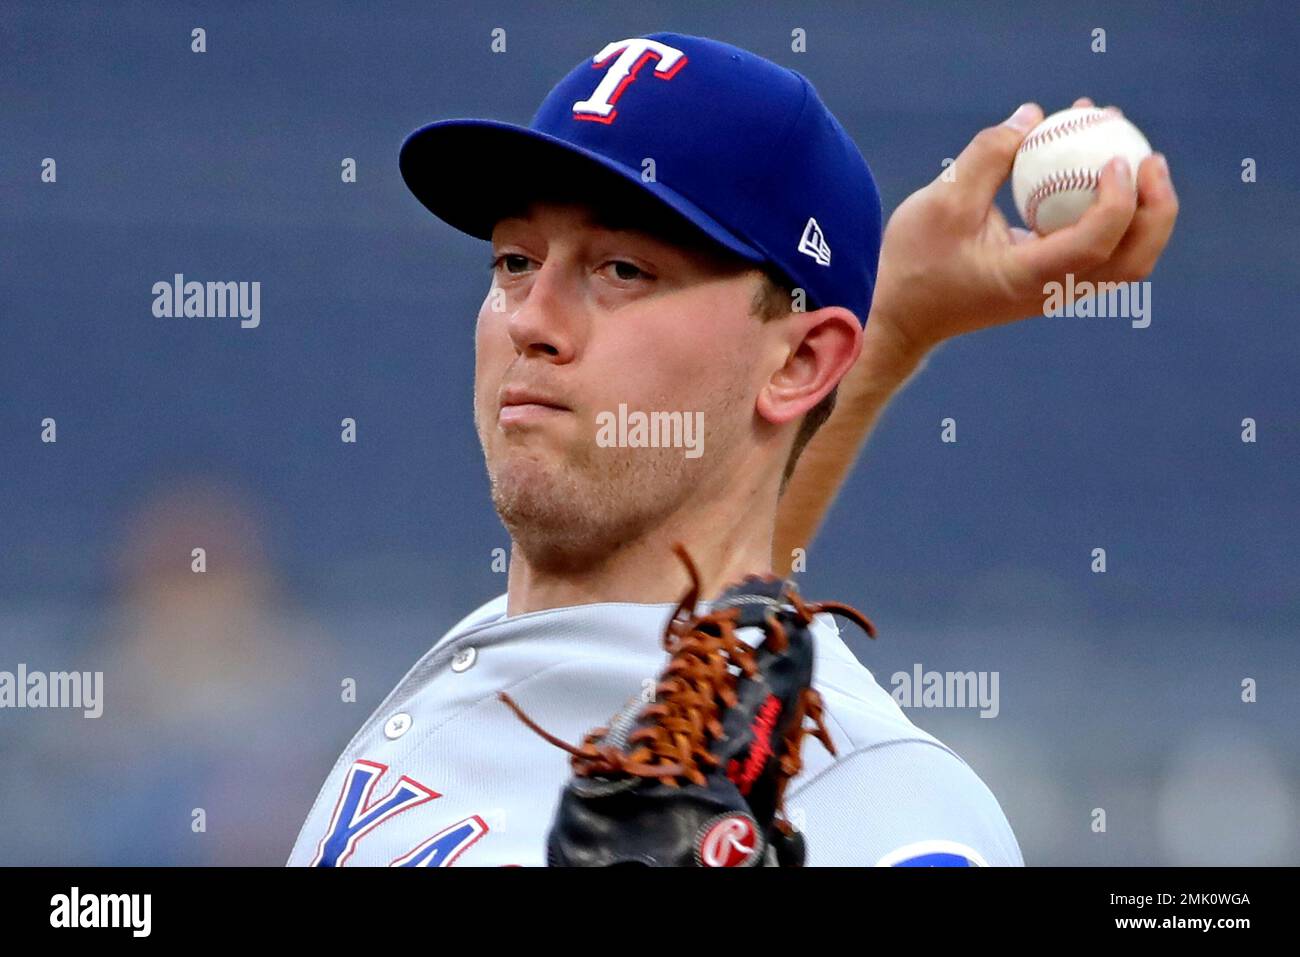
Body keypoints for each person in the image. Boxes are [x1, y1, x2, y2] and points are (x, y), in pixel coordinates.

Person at [288, 32, 1176, 867]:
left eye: (621, 270)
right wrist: (894, 318)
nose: (530, 320)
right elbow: (716, 591)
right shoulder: (518, 644)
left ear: (800, 360)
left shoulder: (880, 804)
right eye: (515, 261)